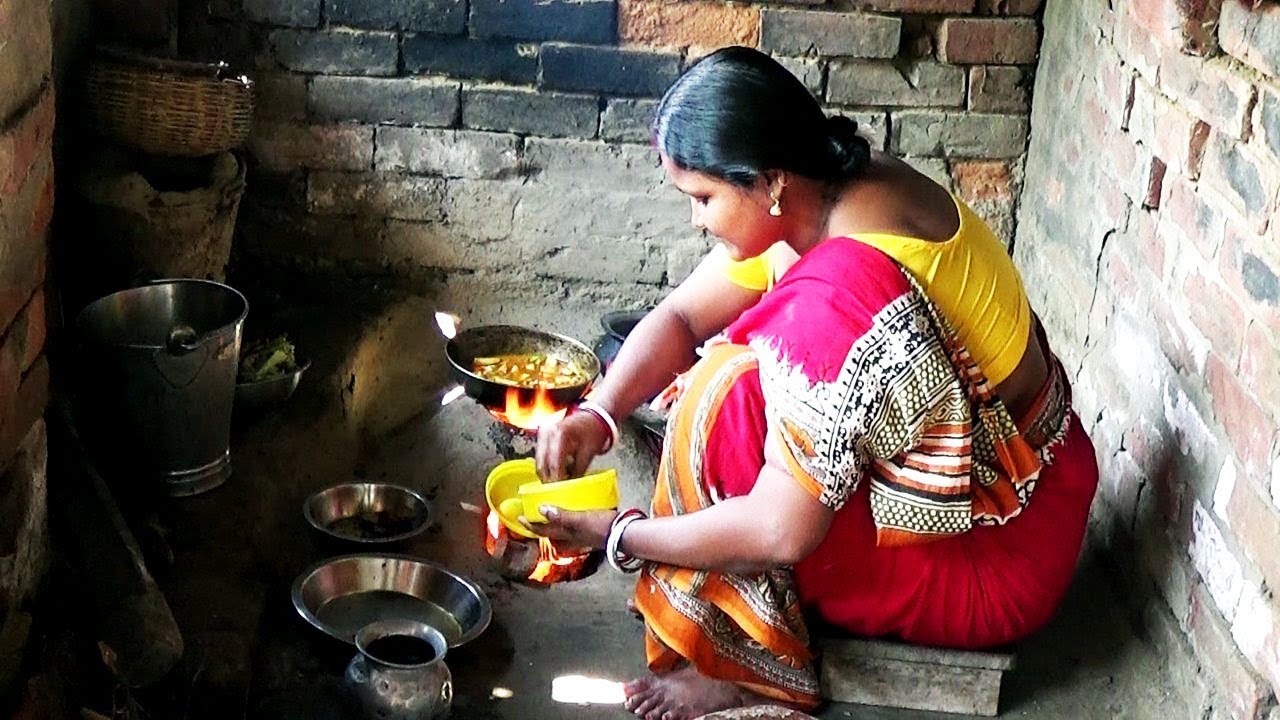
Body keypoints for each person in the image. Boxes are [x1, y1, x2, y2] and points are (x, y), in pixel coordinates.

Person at [527, 46, 1099, 720]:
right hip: (1042, 479)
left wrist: (621, 536)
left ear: (770, 182)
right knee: (728, 379)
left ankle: (745, 669)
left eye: (703, 198)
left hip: (996, 553)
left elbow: (778, 534)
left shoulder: (841, 292)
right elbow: (681, 317)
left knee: (725, 405)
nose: (696, 221)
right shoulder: (824, 188)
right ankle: (707, 591)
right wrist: (598, 413)